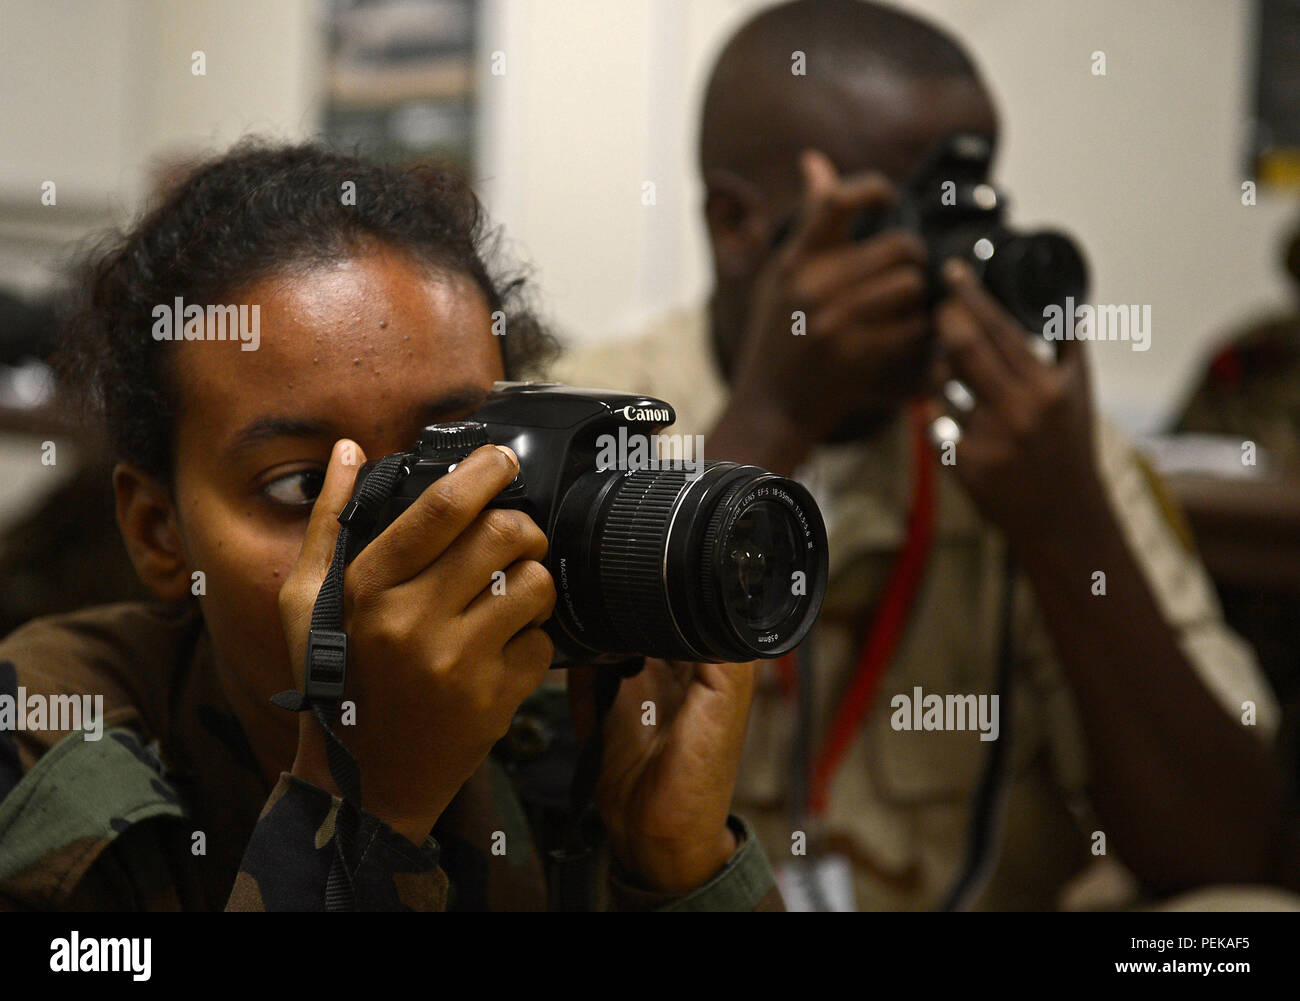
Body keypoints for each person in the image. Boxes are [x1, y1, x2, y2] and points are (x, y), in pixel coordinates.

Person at [551, 0, 1292, 910]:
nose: (942, 266)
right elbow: (538, 793)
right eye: (888, 220)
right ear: (738, 225)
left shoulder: (1033, 439)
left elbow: (1226, 842)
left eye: (965, 213)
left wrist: (1066, 524)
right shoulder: (601, 422)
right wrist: (774, 421)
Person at [0, 140, 780, 911]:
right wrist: (364, 804)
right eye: (305, 485)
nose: (405, 540)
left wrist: (680, 864)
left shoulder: (562, 727)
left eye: (451, 462)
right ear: (157, 531)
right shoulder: (48, 742)